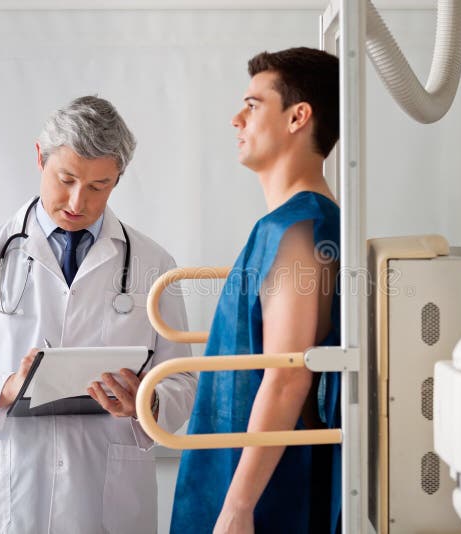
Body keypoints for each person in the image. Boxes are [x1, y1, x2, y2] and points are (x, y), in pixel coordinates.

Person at [0, 95, 196, 534]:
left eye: (99, 186)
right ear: (40, 157)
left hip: (110, 502)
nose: (78, 201)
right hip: (13, 499)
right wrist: (7, 387)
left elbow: (183, 381)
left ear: (118, 178)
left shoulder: (154, 264)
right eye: (66, 179)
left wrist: (148, 401)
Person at [170, 47, 342, 533]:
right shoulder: (286, 226)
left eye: (252, 104)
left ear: (297, 117)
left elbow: (288, 376)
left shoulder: (298, 230)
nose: (236, 119)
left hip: (268, 498)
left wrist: (238, 506)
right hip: (248, 475)